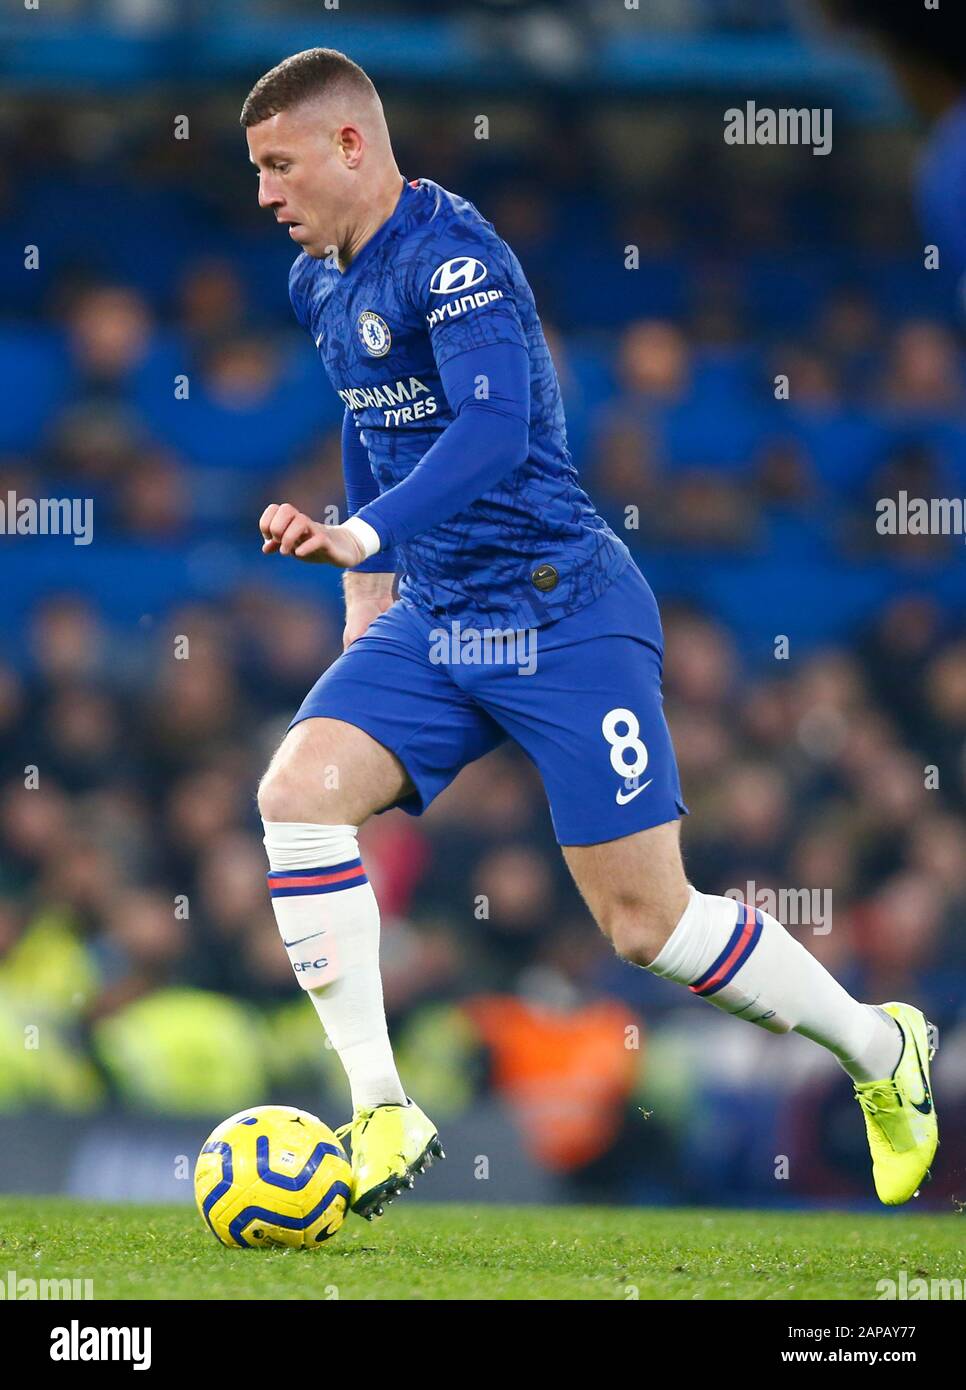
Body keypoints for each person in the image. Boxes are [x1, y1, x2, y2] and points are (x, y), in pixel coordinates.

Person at [242, 47, 937, 1220]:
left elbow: (495, 431)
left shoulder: (454, 260)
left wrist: (364, 536)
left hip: (564, 611)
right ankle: (380, 1109)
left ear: (351, 146)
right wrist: (369, 587)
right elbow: (371, 417)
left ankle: (880, 1051)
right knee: (296, 790)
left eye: (278, 164)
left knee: (646, 925)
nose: (265, 194)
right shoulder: (320, 281)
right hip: (440, 618)